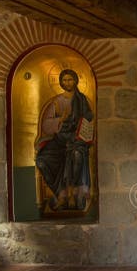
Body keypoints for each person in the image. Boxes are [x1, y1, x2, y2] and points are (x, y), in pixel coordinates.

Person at [35, 69, 94, 210]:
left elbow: (88, 118)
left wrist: (80, 121)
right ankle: (60, 194)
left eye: (70, 79)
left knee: (76, 155)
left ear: (76, 81)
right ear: (61, 82)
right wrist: (61, 119)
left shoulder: (81, 100)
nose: (67, 82)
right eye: (65, 80)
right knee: (42, 161)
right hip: (60, 140)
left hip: (77, 140)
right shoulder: (57, 102)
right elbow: (46, 124)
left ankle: (75, 194)